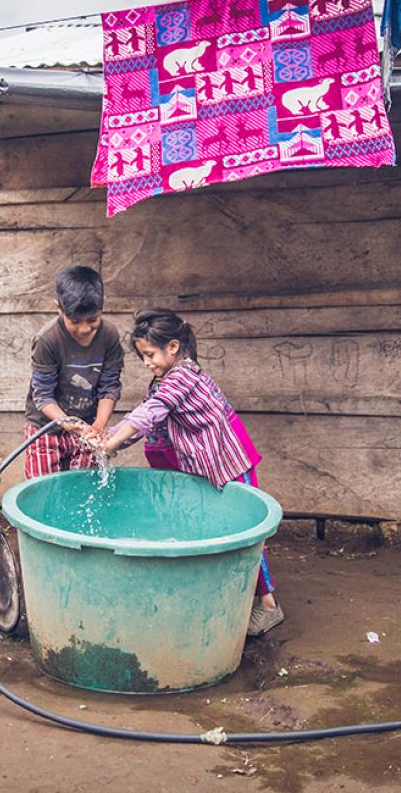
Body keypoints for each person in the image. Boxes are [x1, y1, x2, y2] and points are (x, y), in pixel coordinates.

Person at [91, 309, 283, 636]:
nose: (147, 362)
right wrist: (109, 438)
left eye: (150, 354)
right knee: (215, 528)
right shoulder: (162, 381)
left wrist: (112, 442)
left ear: (173, 347)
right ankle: (222, 593)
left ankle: (268, 606)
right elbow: (145, 419)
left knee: (248, 534)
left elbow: (151, 412)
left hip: (230, 460)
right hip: (207, 465)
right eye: (142, 356)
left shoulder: (184, 375)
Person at [22, 265, 125, 478]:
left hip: (88, 425)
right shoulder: (47, 339)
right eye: (75, 321)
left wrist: (99, 424)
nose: (84, 329)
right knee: (44, 487)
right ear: (58, 309)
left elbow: (110, 386)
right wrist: (66, 422)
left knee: (83, 486)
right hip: (46, 426)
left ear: (102, 307)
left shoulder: (109, 335)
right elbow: (43, 395)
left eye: (93, 320)